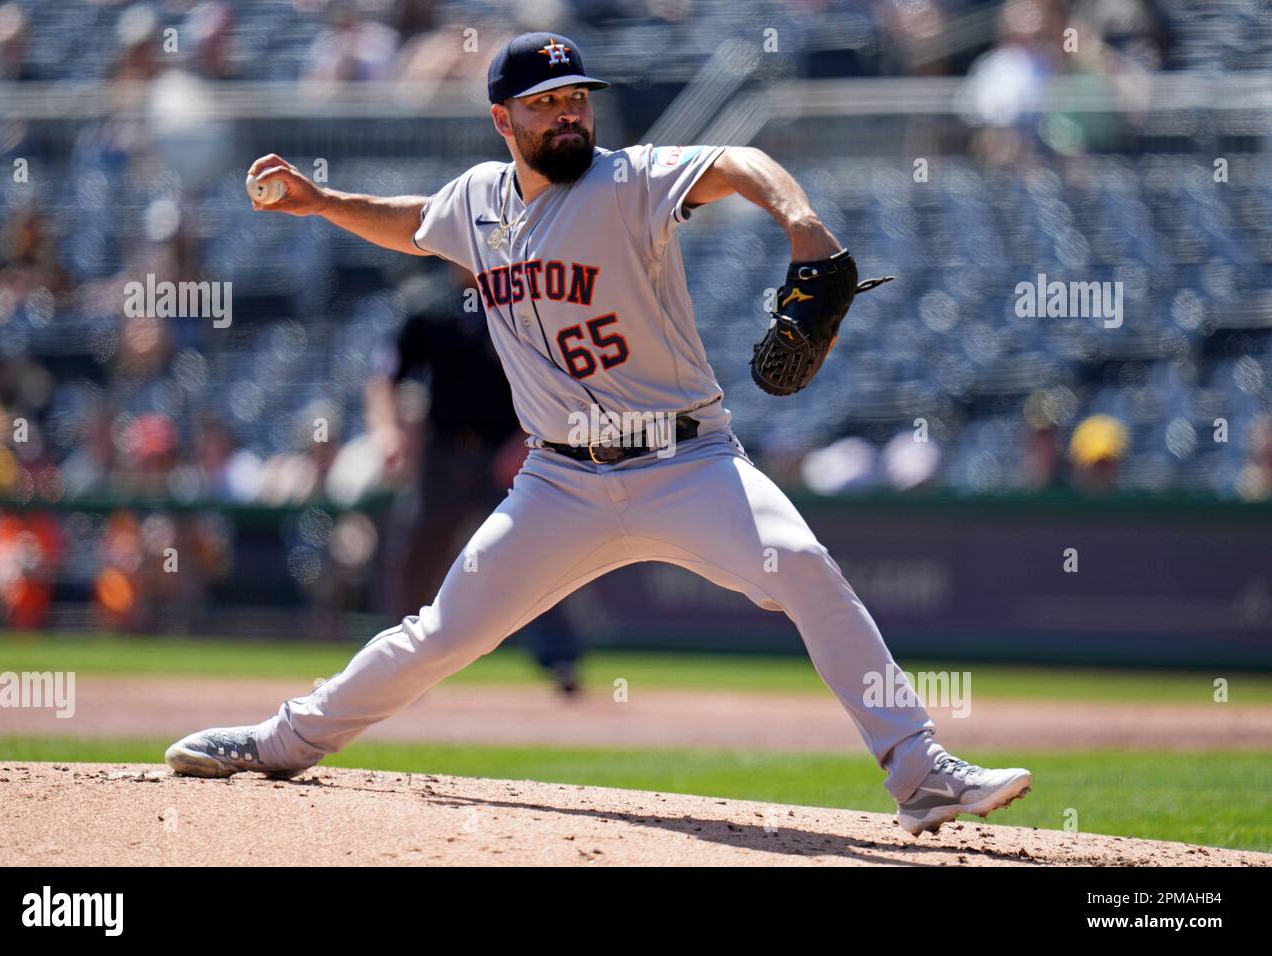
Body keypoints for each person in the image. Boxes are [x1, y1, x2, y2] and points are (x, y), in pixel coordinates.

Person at [166, 32, 1032, 837]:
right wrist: (323, 203)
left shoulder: (629, 180)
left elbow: (741, 161)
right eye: (546, 102)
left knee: (803, 567)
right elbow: (416, 221)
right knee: (441, 633)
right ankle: (279, 742)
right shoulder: (477, 200)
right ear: (503, 121)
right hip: (561, 485)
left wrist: (800, 222)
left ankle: (919, 771)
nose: (571, 112)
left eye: (577, 97)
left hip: (687, 460)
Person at [366, 260, 584, 694]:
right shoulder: (427, 307)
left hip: (505, 456)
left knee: (530, 556)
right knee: (416, 557)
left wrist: (524, 440)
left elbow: (554, 384)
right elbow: (385, 377)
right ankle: (390, 666)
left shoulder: (519, 306)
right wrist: (386, 430)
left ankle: (560, 661)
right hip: (442, 455)